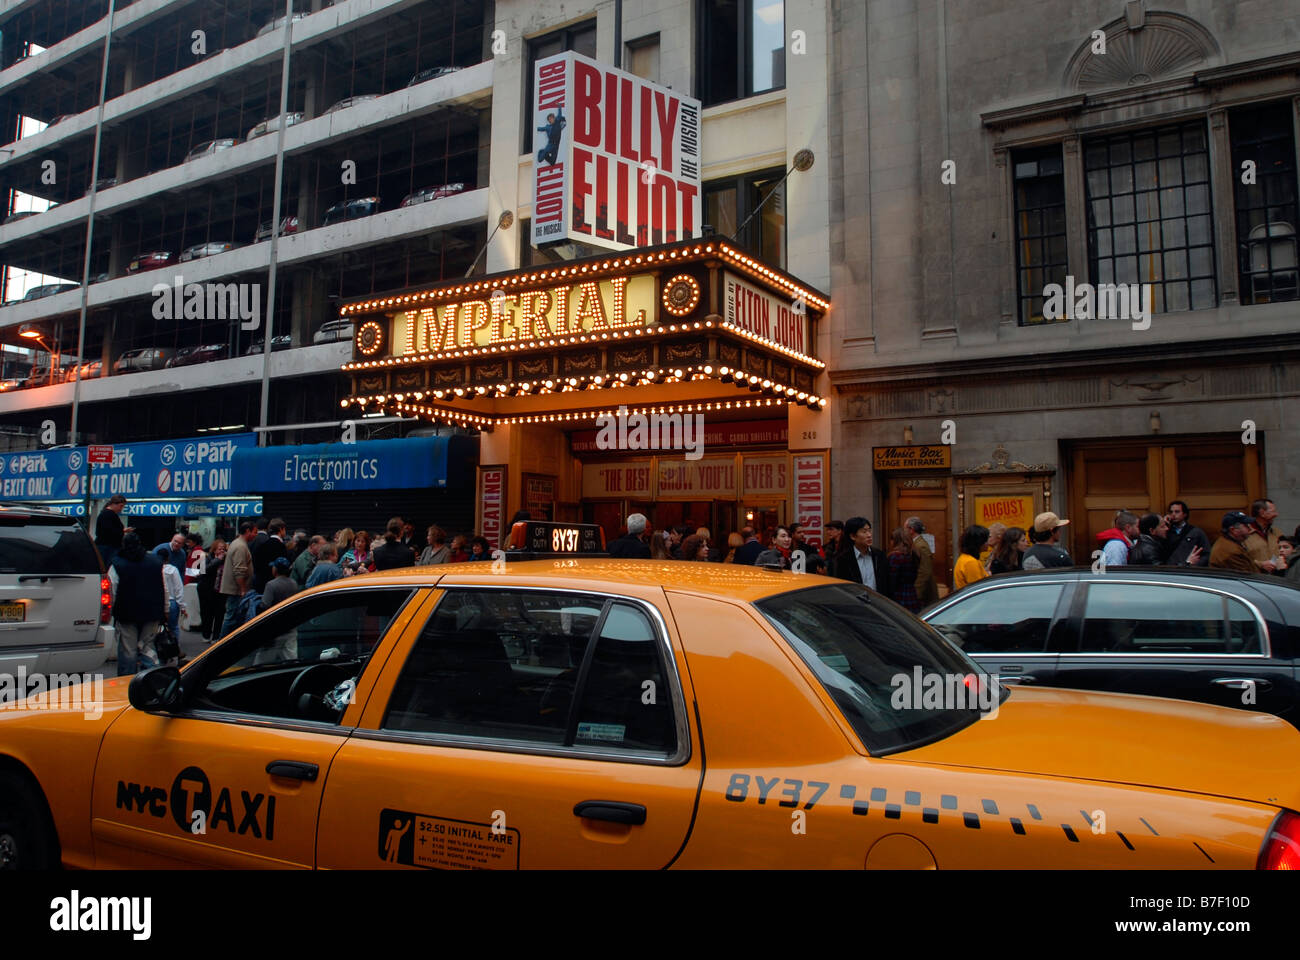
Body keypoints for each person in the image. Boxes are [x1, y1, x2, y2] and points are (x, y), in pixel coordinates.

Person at [107, 532, 166, 676]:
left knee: (128, 650)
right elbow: (164, 588)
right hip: (152, 611)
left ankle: (127, 681)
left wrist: (110, 614)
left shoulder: (117, 563)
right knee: (148, 647)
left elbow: (112, 590)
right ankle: (148, 679)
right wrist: (166, 609)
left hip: (126, 612)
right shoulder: (156, 562)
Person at [217, 520, 257, 641]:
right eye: (254, 532)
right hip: (236, 590)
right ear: (248, 531)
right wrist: (243, 589)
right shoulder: (240, 546)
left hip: (235, 589)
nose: (255, 535)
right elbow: (239, 570)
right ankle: (221, 644)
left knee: (232, 618)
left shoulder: (237, 544)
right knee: (231, 618)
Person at [832, 517, 890, 597]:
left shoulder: (879, 555)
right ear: (853, 536)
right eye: (864, 532)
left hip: (878, 604)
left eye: (869, 530)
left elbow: (886, 583)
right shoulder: (843, 559)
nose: (869, 535)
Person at [904, 517, 939, 607]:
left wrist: (916, 594)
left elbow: (925, 571)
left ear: (911, 530)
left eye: (905, 528)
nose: (903, 532)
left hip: (924, 596)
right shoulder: (916, 543)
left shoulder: (921, 545)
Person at [1163, 500, 1210, 566]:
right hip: (1171, 571)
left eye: (1177, 512)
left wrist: (1196, 565)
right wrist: (1164, 524)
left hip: (1190, 571)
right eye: (1171, 512)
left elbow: (1206, 554)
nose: (1173, 514)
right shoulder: (1165, 532)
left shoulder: (1196, 532)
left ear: (1185, 514)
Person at [197, 538, 226, 641]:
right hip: (206, 590)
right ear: (214, 550)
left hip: (220, 591)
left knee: (219, 614)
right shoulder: (206, 558)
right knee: (206, 613)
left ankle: (216, 636)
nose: (222, 551)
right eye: (219, 549)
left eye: (223, 549)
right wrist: (217, 560)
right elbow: (204, 570)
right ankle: (206, 634)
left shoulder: (226, 560)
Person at [1243, 499, 1282, 573]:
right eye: (1273, 511)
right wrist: (1260, 564)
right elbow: (1240, 560)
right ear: (1262, 513)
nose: (1276, 514)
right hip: (1256, 580)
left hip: (1277, 579)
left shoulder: (1276, 532)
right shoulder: (1244, 535)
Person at [886, 528, 921, 612]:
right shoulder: (913, 555)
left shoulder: (895, 557)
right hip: (912, 595)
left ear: (896, 541)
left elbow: (891, 581)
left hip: (899, 597)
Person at [94, 494, 128, 568]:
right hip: (108, 548)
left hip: (105, 547)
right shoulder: (109, 515)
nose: (121, 509)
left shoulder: (105, 514)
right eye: (121, 506)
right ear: (114, 504)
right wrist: (122, 532)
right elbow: (109, 532)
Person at [952, 525, 990, 591]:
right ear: (978, 542)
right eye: (985, 541)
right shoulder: (970, 562)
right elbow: (978, 588)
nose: (988, 543)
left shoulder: (965, 558)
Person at [161, 558, 185, 647]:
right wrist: (182, 605)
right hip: (173, 602)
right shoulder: (173, 570)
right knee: (174, 627)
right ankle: (175, 649)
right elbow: (178, 588)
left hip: (160, 602)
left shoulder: (155, 569)